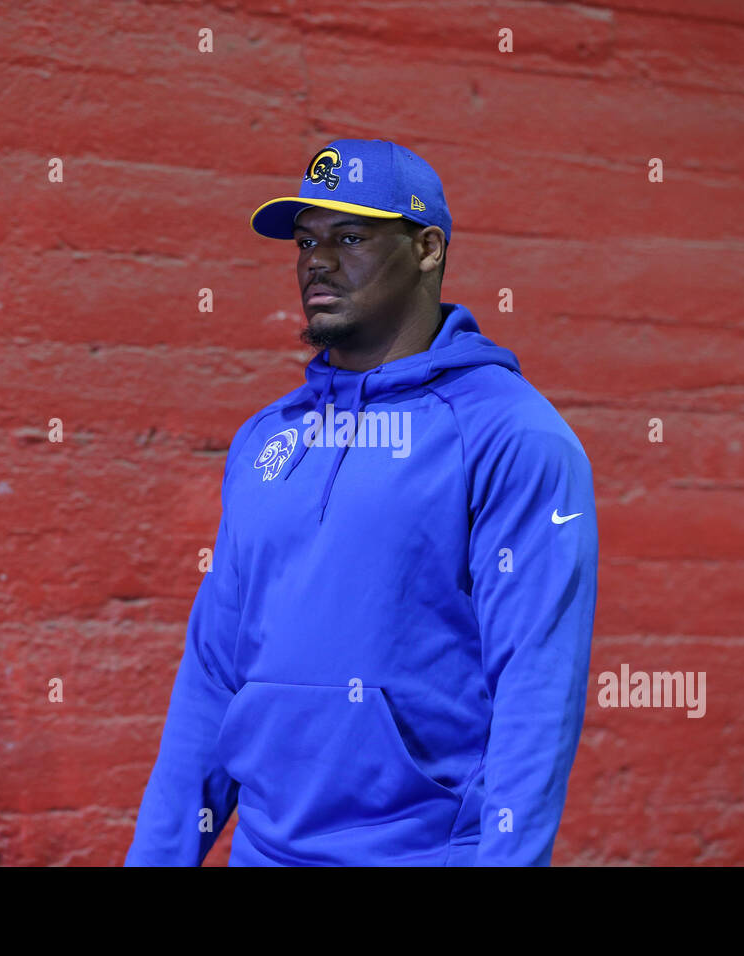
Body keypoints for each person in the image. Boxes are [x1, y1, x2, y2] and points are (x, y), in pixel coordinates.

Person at [124, 138, 598, 866]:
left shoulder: (511, 433)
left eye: (350, 237)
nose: (317, 259)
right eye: (307, 240)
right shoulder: (265, 441)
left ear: (428, 248)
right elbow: (213, 676)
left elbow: (536, 690)